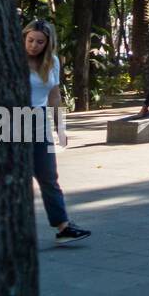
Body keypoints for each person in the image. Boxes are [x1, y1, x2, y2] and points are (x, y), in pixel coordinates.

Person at [22, 19, 91, 242]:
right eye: (30, 40)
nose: (33, 45)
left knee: (48, 175)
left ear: (48, 43)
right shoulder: (11, 58)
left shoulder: (51, 62)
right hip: (9, 118)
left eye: (39, 42)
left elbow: (54, 95)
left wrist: (61, 127)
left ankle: (63, 226)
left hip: (39, 119)